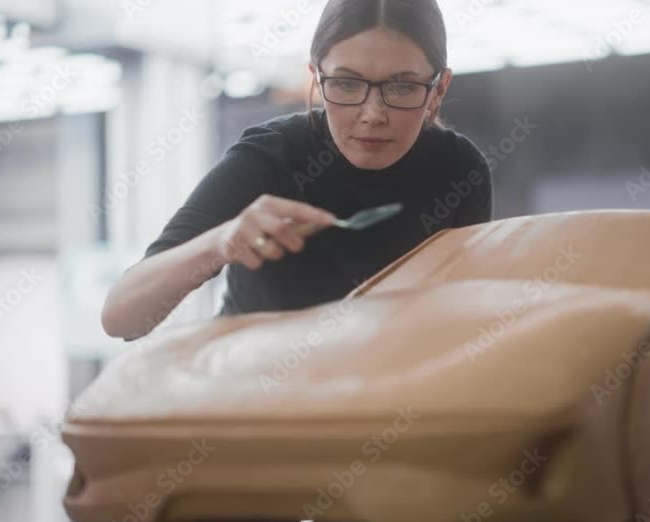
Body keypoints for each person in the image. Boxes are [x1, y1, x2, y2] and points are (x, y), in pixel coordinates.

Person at [102, 0, 493, 341]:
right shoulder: (270, 156)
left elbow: (459, 317)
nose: (373, 114)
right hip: (260, 395)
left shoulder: (460, 169)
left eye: (403, 87)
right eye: (345, 83)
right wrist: (220, 242)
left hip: (386, 396)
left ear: (438, 89)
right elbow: (122, 317)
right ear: (317, 77)